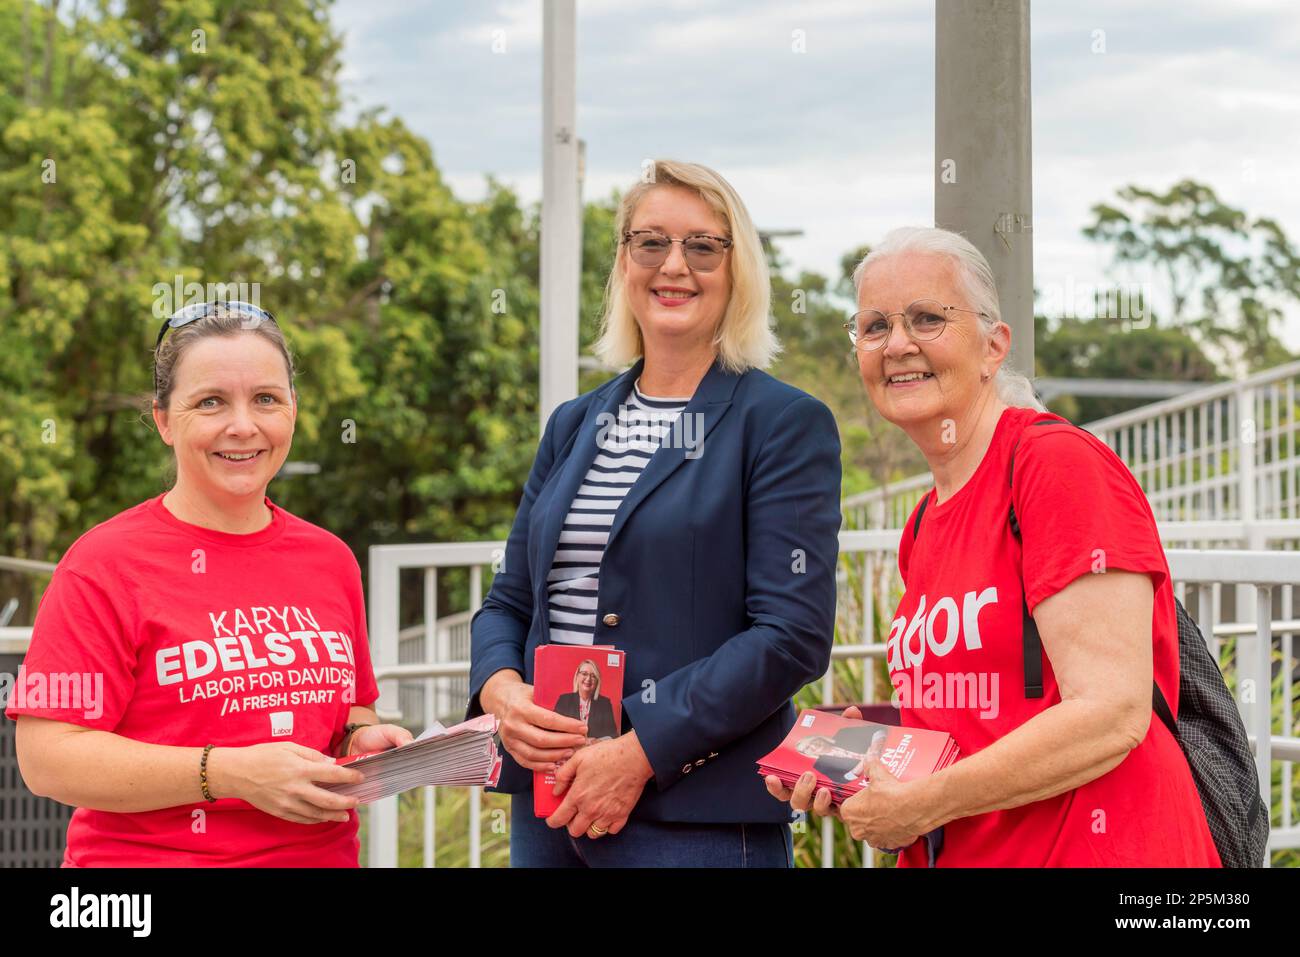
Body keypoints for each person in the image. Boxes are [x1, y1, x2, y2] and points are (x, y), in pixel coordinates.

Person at [766, 227, 1221, 867]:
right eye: (874, 327)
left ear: (993, 345)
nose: (898, 344)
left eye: (928, 318)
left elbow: (1111, 713)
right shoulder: (925, 520)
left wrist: (924, 803)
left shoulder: (1054, 465)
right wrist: (872, 752)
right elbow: (989, 703)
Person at [468, 160, 842, 867]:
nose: (674, 265)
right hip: (547, 800)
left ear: (738, 271)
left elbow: (791, 634)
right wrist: (503, 691)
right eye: (651, 243)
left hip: (691, 815)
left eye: (703, 246)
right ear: (623, 262)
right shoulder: (574, 424)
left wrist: (639, 748)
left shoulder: (783, 423)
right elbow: (508, 600)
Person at [6, 301, 412, 867]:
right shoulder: (103, 563)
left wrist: (358, 743)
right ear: (165, 420)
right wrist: (228, 773)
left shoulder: (331, 559)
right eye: (211, 402)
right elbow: (47, 759)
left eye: (266, 399)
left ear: (293, 410)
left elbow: (351, 710)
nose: (243, 425)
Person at [552, 660, 618, 742]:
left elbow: (613, 735)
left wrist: (597, 741)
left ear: (597, 681)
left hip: (595, 751)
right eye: (584, 674)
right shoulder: (564, 700)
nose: (588, 679)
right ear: (577, 676)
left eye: (593, 676)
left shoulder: (604, 704)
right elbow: (553, 731)